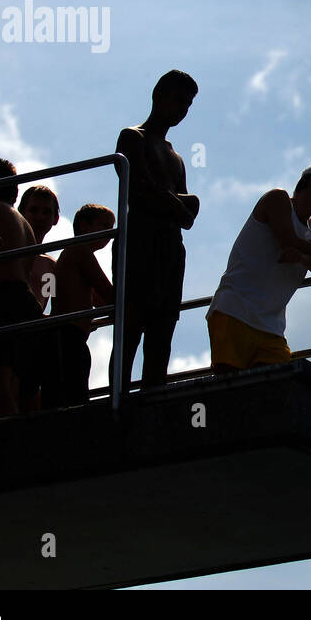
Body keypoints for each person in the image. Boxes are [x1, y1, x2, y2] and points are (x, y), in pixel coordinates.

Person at [206, 163, 311, 374]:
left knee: (275, 391)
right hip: (234, 311)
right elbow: (288, 240)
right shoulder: (277, 198)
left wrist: (305, 257)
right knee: (230, 392)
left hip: (271, 326)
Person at [114, 70, 199, 392]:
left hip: (170, 249)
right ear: (159, 95)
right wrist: (178, 204)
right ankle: (117, 402)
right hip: (139, 244)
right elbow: (139, 190)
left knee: (162, 334)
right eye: (178, 100)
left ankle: (152, 399)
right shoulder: (132, 137)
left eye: (187, 105)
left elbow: (188, 215)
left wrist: (173, 203)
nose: (182, 109)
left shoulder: (175, 156)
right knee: (130, 329)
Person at [0, 159, 42, 419]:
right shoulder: (24, 223)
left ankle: (7, 448)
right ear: (15, 192)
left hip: (2, 297)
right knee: (17, 387)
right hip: (26, 303)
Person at [47, 204, 115, 407]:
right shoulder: (79, 250)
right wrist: (127, 304)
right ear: (85, 226)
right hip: (67, 333)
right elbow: (104, 288)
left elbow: (97, 297)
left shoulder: (74, 254)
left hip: (71, 334)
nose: (111, 233)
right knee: (72, 395)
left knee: (71, 392)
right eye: (105, 226)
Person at [17, 185, 60, 311]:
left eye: (46, 212)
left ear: (55, 219)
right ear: (21, 213)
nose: (40, 217)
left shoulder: (51, 266)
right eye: (33, 210)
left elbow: (47, 302)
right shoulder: (9, 253)